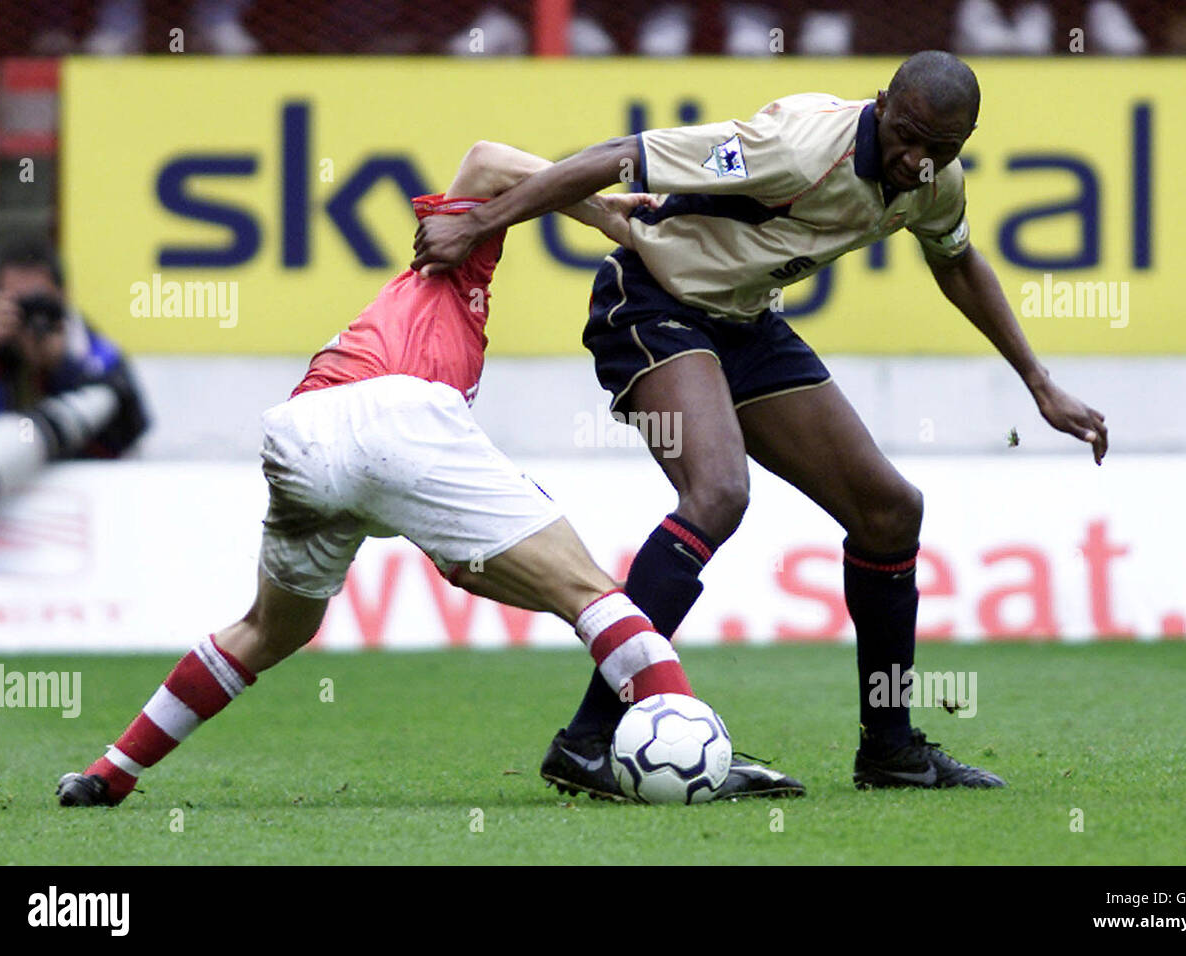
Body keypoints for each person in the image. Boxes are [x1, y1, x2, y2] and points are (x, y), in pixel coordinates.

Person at [411, 50, 1110, 795]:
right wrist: (479, 222)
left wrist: (1038, 382)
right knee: (718, 493)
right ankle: (588, 740)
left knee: (889, 511)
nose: (918, 161)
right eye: (907, 137)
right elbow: (618, 158)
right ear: (881, 104)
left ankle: (890, 750)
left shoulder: (934, 179)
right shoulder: (799, 146)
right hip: (655, 301)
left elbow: (958, 260)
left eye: (943, 148)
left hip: (745, 323)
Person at [56, 141, 704, 808]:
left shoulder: (429, 313)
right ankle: (692, 737)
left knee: (271, 630)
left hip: (303, 435)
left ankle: (110, 772)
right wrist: (606, 213)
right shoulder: (456, 265)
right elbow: (486, 159)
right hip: (399, 413)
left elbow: (461, 558)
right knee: (592, 592)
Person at [0, 241, 148, 503]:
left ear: (62, 296)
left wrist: (61, 370)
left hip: (78, 496)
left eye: (38, 300)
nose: (30, 313)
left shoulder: (94, 353)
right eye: (18, 302)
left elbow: (129, 430)